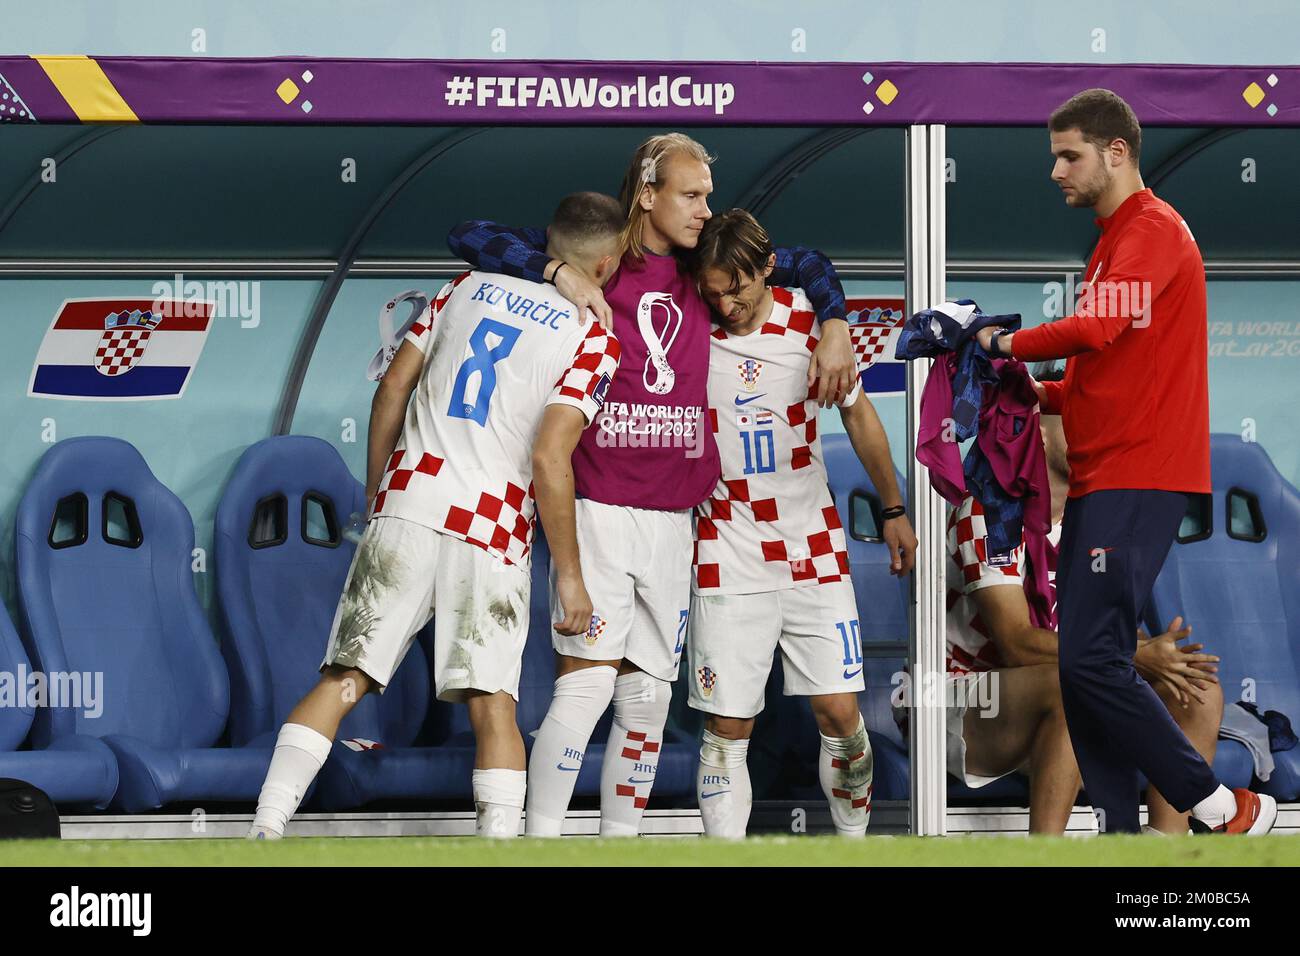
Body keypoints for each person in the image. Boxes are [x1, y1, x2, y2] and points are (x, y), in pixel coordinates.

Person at [446, 132, 858, 837]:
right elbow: (468, 234)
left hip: (676, 516)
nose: (705, 210)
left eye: (707, 196)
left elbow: (809, 263)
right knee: (587, 683)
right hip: (601, 502)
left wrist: (837, 324)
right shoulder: (599, 256)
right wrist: (559, 274)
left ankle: (619, 847)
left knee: (645, 699)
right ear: (647, 193)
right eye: (691, 196)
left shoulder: (706, 265)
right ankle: (539, 844)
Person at [247, 192, 624, 839]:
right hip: (492, 527)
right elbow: (549, 456)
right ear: (610, 263)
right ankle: (500, 852)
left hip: (410, 503)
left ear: (552, 245)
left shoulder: (465, 286)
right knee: (492, 708)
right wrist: (569, 573)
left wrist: (377, 492)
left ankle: (267, 827)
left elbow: (392, 388)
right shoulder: (594, 334)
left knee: (344, 680)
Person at [975, 88, 1275, 835]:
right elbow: (1091, 381)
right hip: (1109, 477)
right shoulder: (1113, 242)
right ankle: (1121, 834)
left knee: (1091, 662)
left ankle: (1221, 805)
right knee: (1085, 669)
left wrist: (1001, 343)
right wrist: (1020, 389)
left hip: (1141, 475)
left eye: (1068, 155)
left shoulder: (1153, 230)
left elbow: (1097, 328)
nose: (1055, 172)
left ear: (1116, 152)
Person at [684, 209, 916, 838]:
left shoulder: (808, 320)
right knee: (728, 726)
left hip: (811, 547)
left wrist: (893, 509)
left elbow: (860, 418)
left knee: (841, 715)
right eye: (713, 289)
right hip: (725, 548)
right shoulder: (685, 327)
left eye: (738, 287)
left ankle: (851, 848)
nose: (725, 302)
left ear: (766, 269)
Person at [941, 390, 1223, 833]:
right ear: (1041, 434)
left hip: (1061, 695)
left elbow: (1101, 634)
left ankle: (1163, 852)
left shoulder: (1098, 520)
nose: (1100, 438)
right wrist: (1132, 654)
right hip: (966, 704)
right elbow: (1015, 642)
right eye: (1084, 424)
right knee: (1076, 683)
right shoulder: (987, 510)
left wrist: (1158, 655)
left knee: (1198, 690)